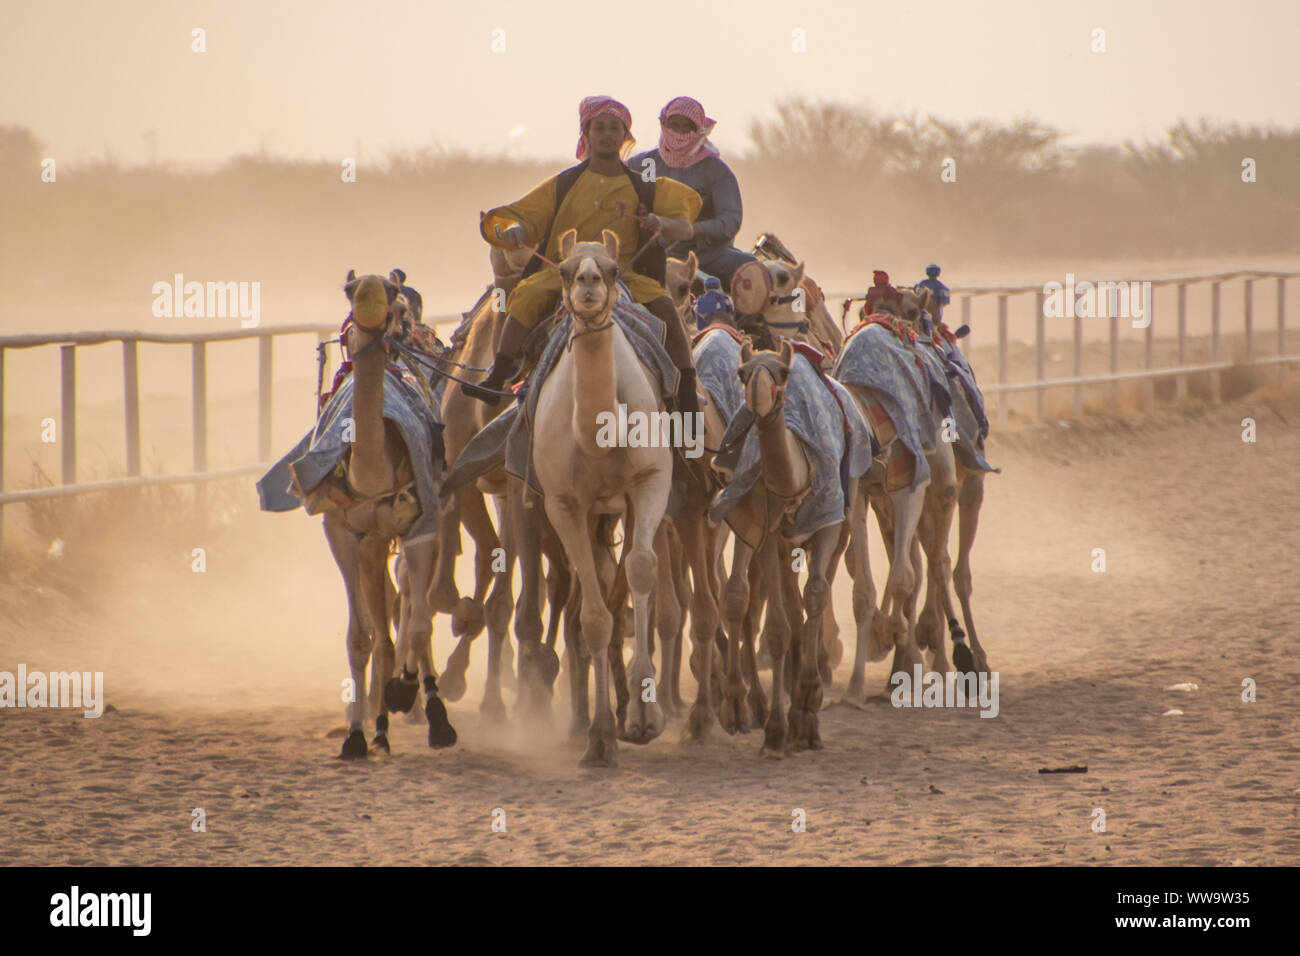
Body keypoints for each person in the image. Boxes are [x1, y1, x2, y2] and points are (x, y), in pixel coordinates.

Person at [463, 96, 703, 415]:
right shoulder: (563, 184)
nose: (606, 134)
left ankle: (685, 388)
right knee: (525, 294)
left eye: (614, 128)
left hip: (623, 276)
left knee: (666, 308)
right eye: (598, 127)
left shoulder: (646, 186)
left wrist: (661, 222)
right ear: (586, 135)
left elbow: (685, 227)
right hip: (563, 273)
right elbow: (511, 217)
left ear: (625, 136)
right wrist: (513, 230)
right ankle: (499, 375)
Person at [629, 97, 756, 294]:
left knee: (753, 270)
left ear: (699, 130)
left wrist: (694, 230)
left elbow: (731, 220)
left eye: (687, 127)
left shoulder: (715, 169)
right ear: (663, 124)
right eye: (674, 125)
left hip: (708, 256)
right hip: (651, 256)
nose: (679, 133)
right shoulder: (645, 165)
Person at [915, 264, 951, 329]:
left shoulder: (921, 284)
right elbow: (943, 304)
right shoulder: (942, 287)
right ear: (938, 274)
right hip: (934, 319)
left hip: (918, 315)